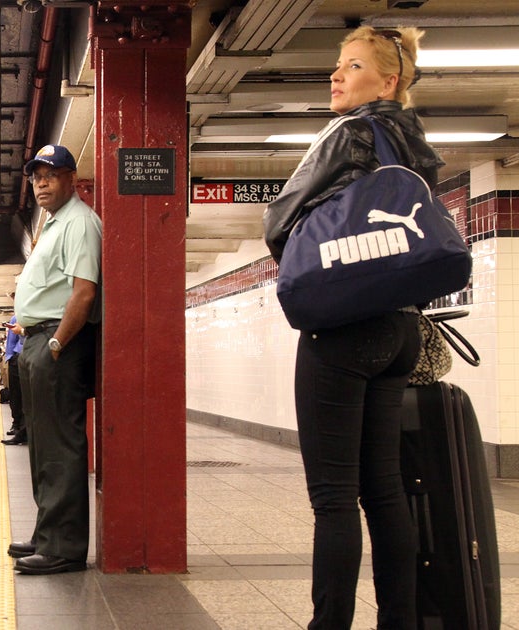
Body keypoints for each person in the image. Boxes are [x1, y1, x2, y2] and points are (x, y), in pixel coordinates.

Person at [262, 26, 436, 629]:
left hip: (343, 329)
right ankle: (401, 621)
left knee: (333, 497)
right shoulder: (414, 140)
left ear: (387, 81)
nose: (336, 76)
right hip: (401, 330)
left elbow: (280, 220)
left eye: (352, 66)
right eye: (338, 66)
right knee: (383, 490)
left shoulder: (349, 132)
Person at [6, 144, 101, 575]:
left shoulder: (80, 223)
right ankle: (47, 534)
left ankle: (63, 547)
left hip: (57, 345)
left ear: (72, 179)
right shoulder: (55, 224)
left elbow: (83, 292)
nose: (41, 182)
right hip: (38, 342)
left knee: (60, 447)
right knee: (42, 447)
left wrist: (57, 344)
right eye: (36, 176)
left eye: (51, 174)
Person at [0, 314, 27, 445]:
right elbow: (11, 340)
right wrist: (10, 357)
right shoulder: (16, 317)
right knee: (18, 395)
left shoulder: (18, 317)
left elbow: (11, 340)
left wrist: (10, 356)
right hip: (19, 357)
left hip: (21, 357)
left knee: (20, 395)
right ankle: (18, 427)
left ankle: (21, 429)